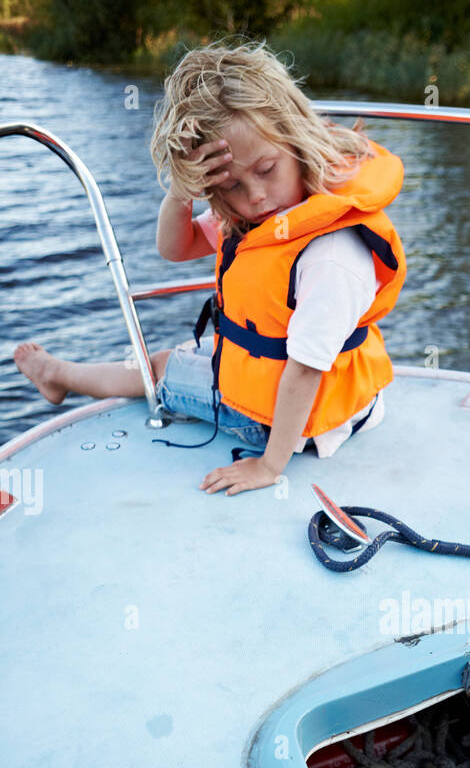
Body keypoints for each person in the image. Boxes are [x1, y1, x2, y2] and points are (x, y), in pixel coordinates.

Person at [13, 38, 407, 496]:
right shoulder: (265, 217)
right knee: (204, 351)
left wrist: (268, 467)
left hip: (292, 425)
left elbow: (304, 370)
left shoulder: (331, 254)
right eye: (232, 185)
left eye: (266, 169)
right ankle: (64, 374)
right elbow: (174, 247)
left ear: (296, 139)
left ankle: (57, 375)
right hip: (321, 401)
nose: (256, 196)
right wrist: (183, 191)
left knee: (159, 365)